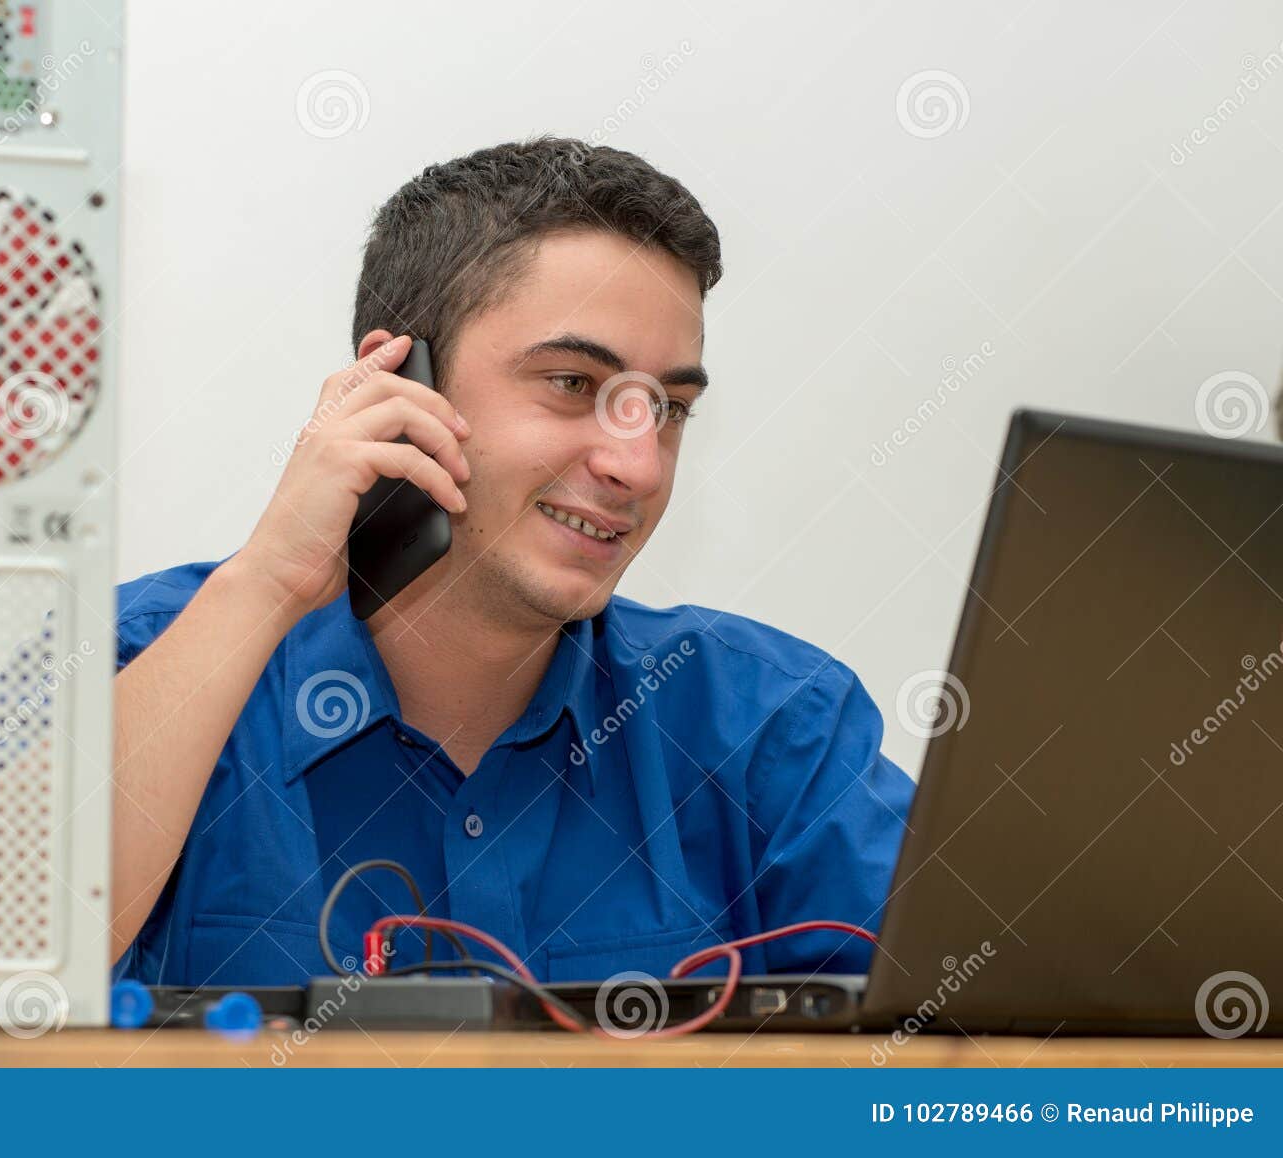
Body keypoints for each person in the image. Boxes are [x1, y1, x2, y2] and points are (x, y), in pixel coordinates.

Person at [97, 137, 915, 987]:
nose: (637, 466)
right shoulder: (136, 667)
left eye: (667, 407)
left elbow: (989, 1033)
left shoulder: (771, 725)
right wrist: (268, 583)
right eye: (570, 384)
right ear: (400, 388)